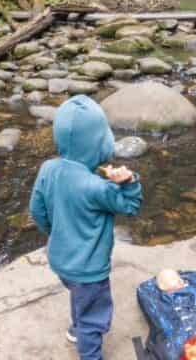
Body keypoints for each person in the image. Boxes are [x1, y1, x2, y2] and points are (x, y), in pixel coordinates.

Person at [29, 95, 142, 360]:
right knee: (94, 315)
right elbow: (130, 206)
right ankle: (89, 351)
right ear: (99, 142)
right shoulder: (97, 188)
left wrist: (56, 234)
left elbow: (36, 211)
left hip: (60, 261)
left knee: (78, 294)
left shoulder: (47, 169)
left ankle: (75, 328)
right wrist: (129, 181)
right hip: (90, 270)